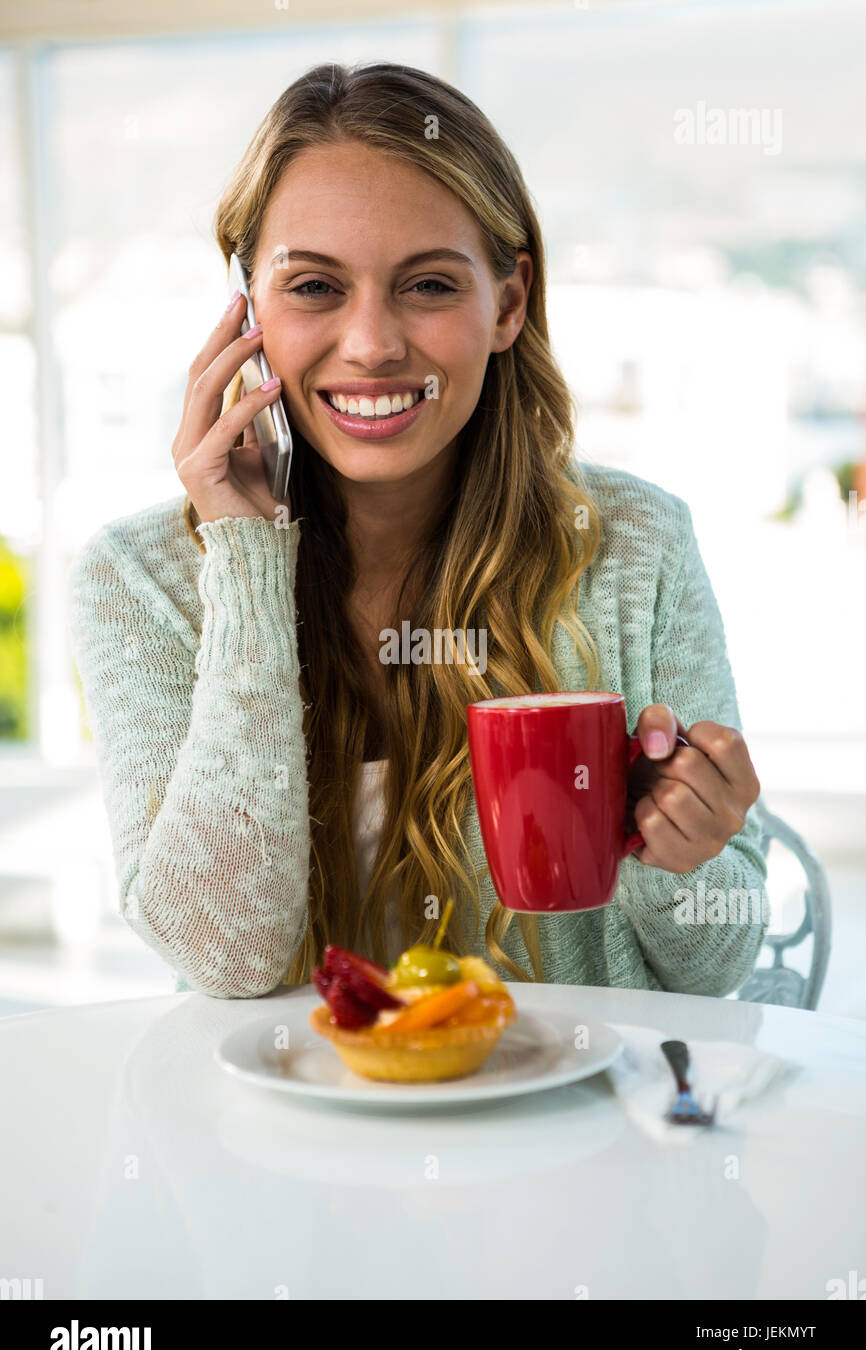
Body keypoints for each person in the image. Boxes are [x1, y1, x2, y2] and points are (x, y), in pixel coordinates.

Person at [69, 61, 766, 1000]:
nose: (371, 344)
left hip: (569, 1129)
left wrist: (679, 853)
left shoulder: (637, 545)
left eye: (428, 285)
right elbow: (226, 957)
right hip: (280, 1135)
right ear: (248, 313)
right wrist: (246, 562)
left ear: (508, 304)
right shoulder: (139, 577)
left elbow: (717, 967)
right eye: (314, 286)